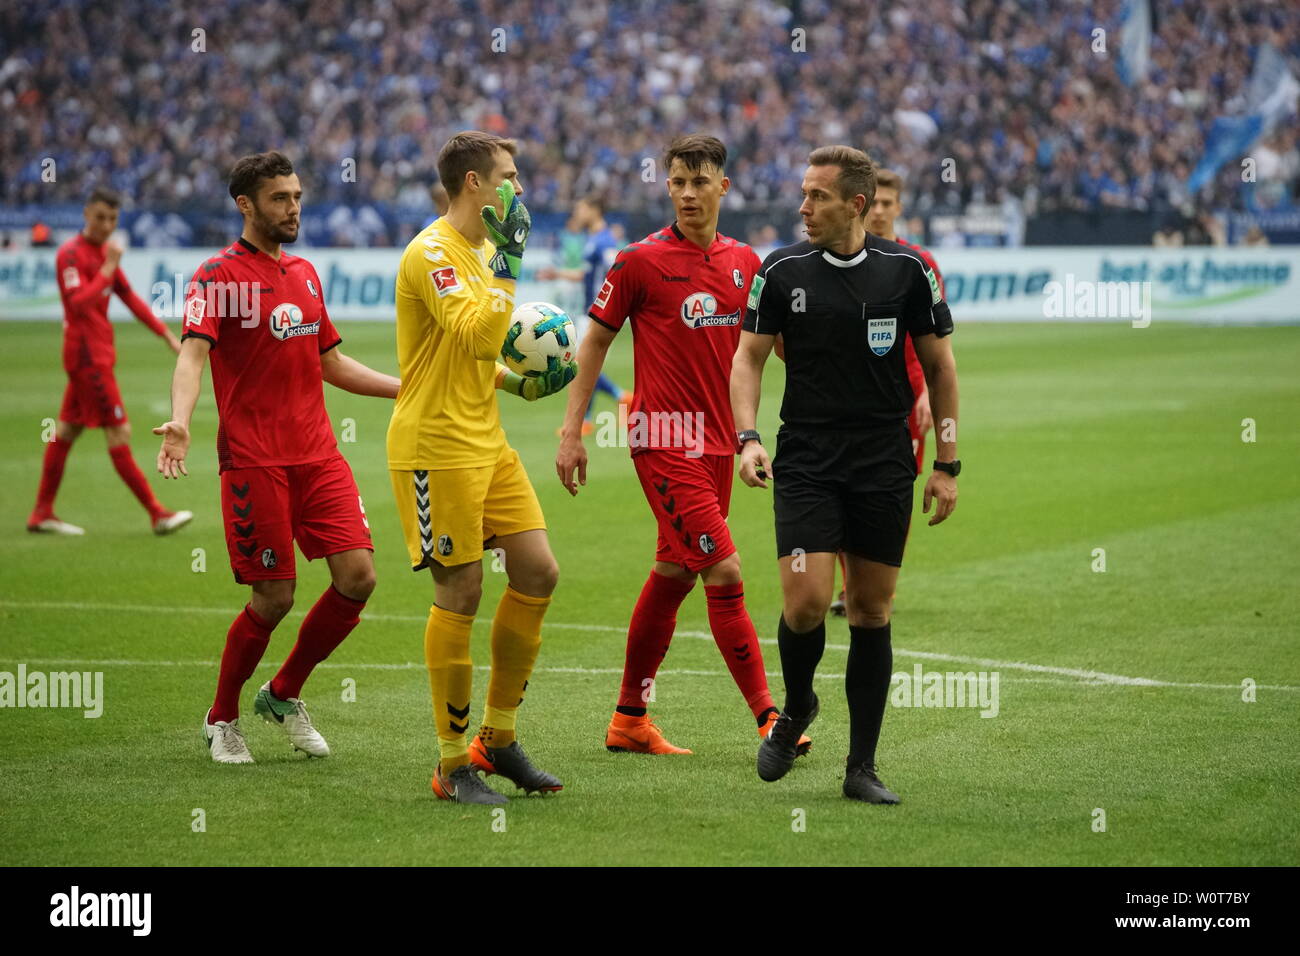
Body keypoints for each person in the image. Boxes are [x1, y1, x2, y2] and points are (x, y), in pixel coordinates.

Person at [556, 134, 810, 758]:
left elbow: (776, 348)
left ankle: (628, 719)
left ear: (724, 187)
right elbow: (594, 343)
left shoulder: (747, 264)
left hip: (722, 444)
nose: (688, 193)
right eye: (677, 182)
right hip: (662, 438)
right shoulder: (639, 261)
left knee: (672, 575)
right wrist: (571, 432)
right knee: (722, 569)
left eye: (700, 182)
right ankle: (768, 717)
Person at [154, 151, 401, 764]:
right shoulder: (216, 277)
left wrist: (407, 387)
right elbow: (191, 355)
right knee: (275, 597)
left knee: (360, 577)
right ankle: (222, 716)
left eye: (296, 196)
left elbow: (330, 363)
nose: (294, 208)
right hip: (254, 461)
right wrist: (181, 423)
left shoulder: (307, 274)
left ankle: (284, 691)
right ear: (246, 205)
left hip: (318, 455)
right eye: (280, 199)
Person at [731, 145, 960, 804]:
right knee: (805, 603)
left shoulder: (908, 271)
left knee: (869, 609)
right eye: (803, 193)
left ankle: (861, 768)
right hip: (805, 457)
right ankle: (797, 707)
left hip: (884, 458)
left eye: (817, 197)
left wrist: (946, 463)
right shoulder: (780, 269)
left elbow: (941, 369)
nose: (802, 207)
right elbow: (747, 360)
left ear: (855, 204)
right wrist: (747, 438)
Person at [388, 131, 574, 805]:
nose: (518, 190)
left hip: (486, 442)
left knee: (537, 569)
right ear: (474, 183)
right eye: (509, 176)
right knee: (461, 589)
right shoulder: (431, 253)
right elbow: (473, 332)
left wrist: (515, 384)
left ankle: (497, 739)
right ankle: (449, 764)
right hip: (434, 445)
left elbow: (474, 353)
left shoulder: (485, 251)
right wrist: (512, 262)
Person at [28, 186, 192, 537]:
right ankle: (156, 512)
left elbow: (129, 297)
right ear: (86, 214)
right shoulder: (71, 255)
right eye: (100, 217)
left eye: (113, 219)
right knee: (119, 431)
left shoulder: (102, 254)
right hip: (87, 358)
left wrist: (164, 334)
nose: (106, 225)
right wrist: (108, 269)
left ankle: (41, 512)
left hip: (94, 355)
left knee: (68, 430)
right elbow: (77, 305)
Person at [826, 167, 939, 616]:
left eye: (889, 204)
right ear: (863, 204)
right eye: (876, 203)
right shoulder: (834, 258)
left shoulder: (918, 264)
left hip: (906, 396)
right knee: (836, 485)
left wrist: (929, 394)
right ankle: (848, 583)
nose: (881, 212)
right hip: (846, 397)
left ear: (898, 208)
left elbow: (937, 345)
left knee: (893, 489)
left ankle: (878, 580)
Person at [536, 195, 630, 434]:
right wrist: (557, 274)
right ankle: (588, 418)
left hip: (597, 312)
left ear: (594, 210)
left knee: (579, 364)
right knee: (585, 365)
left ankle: (621, 398)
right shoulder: (593, 240)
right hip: (589, 309)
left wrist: (610, 307)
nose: (577, 213)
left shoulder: (605, 241)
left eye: (580, 208)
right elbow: (584, 275)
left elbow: (615, 270)